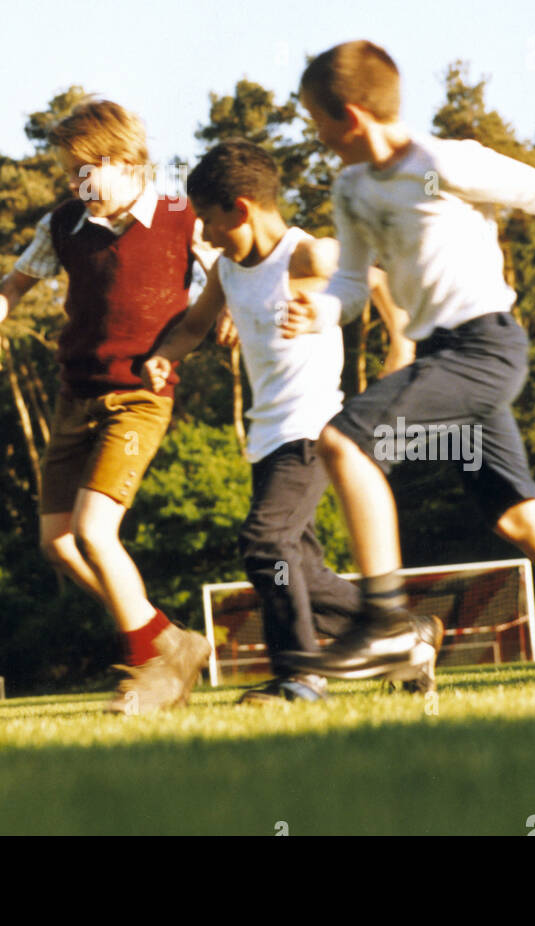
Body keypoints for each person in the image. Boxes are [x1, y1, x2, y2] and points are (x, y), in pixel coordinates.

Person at [281, 40, 535, 682]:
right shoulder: (351, 188)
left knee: (345, 444)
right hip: (446, 356)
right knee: (515, 515)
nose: (317, 134)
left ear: (351, 117)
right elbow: (354, 285)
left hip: (485, 345)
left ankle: (384, 621)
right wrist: (321, 311)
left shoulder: (445, 162)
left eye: (318, 121)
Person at [140, 138, 437, 703]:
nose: (202, 234)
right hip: (267, 436)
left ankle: (300, 675)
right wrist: (164, 356)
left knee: (264, 542)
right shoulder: (228, 269)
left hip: (313, 427)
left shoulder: (310, 256)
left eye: (206, 218)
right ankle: (410, 638)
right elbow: (194, 326)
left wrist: (400, 356)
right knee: (301, 566)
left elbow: (380, 284)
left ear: (242, 208)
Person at [0, 98, 223, 714]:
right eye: (69, 172)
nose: (77, 184)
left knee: (94, 530)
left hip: (139, 396)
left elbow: (229, 274)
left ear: (128, 161)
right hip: (74, 395)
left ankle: (151, 667)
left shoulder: (183, 216)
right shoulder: (63, 225)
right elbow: (13, 284)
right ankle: (171, 641)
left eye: (87, 170)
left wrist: (233, 313)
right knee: (58, 543)